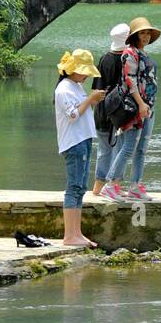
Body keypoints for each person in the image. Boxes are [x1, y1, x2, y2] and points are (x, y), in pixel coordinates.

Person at [98, 16, 160, 202]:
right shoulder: (129, 53)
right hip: (134, 108)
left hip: (148, 107)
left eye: (148, 32)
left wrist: (147, 106)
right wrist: (141, 104)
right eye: (142, 33)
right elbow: (129, 81)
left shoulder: (144, 54)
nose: (146, 36)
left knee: (141, 149)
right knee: (128, 147)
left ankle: (135, 185)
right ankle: (110, 185)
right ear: (134, 35)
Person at [55, 50, 105, 245]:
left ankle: (77, 233)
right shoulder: (64, 89)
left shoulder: (75, 86)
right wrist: (91, 100)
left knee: (81, 187)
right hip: (73, 142)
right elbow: (73, 115)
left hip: (82, 139)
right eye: (83, 71)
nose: (86, 76)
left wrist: (91, 99)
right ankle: (70, 235)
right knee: (74, 187)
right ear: (73, 70)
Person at [92, 22, 129, 197]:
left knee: (103, 150)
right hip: (118, 114)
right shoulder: (126, 60)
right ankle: (114, 185)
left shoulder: (104, 59)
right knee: (118, 149)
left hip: (101, 112)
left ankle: (98, 186)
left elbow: (97, 90)